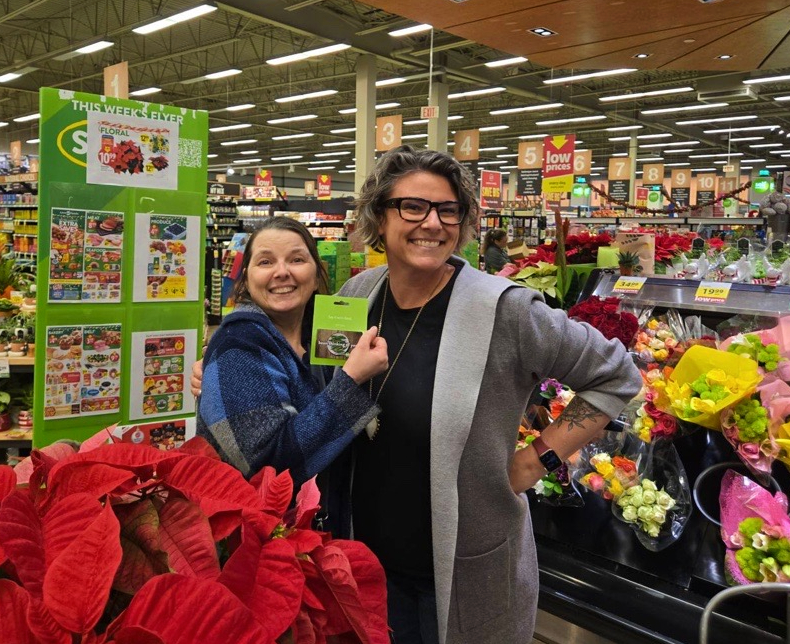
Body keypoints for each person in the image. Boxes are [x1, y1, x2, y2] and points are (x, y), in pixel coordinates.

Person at [193, 146, 641, 644]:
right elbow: (323, 390)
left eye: (448, 209)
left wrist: (537, 461)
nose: (431, 223)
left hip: (459, 574)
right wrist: (223, 373)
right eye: (412, 206)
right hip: (359, 567)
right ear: (378, 218)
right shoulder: (359, 293)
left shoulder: (505, 311)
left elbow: (616, 375)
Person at [196, 216, 388, 486]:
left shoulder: (320, 338)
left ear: (316, 272)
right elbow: (268, 466)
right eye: (265, 262)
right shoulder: (238, 343)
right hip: (268, 525)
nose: (282, 272)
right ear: (246, 278)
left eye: (297, 260)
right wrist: (351, 380)